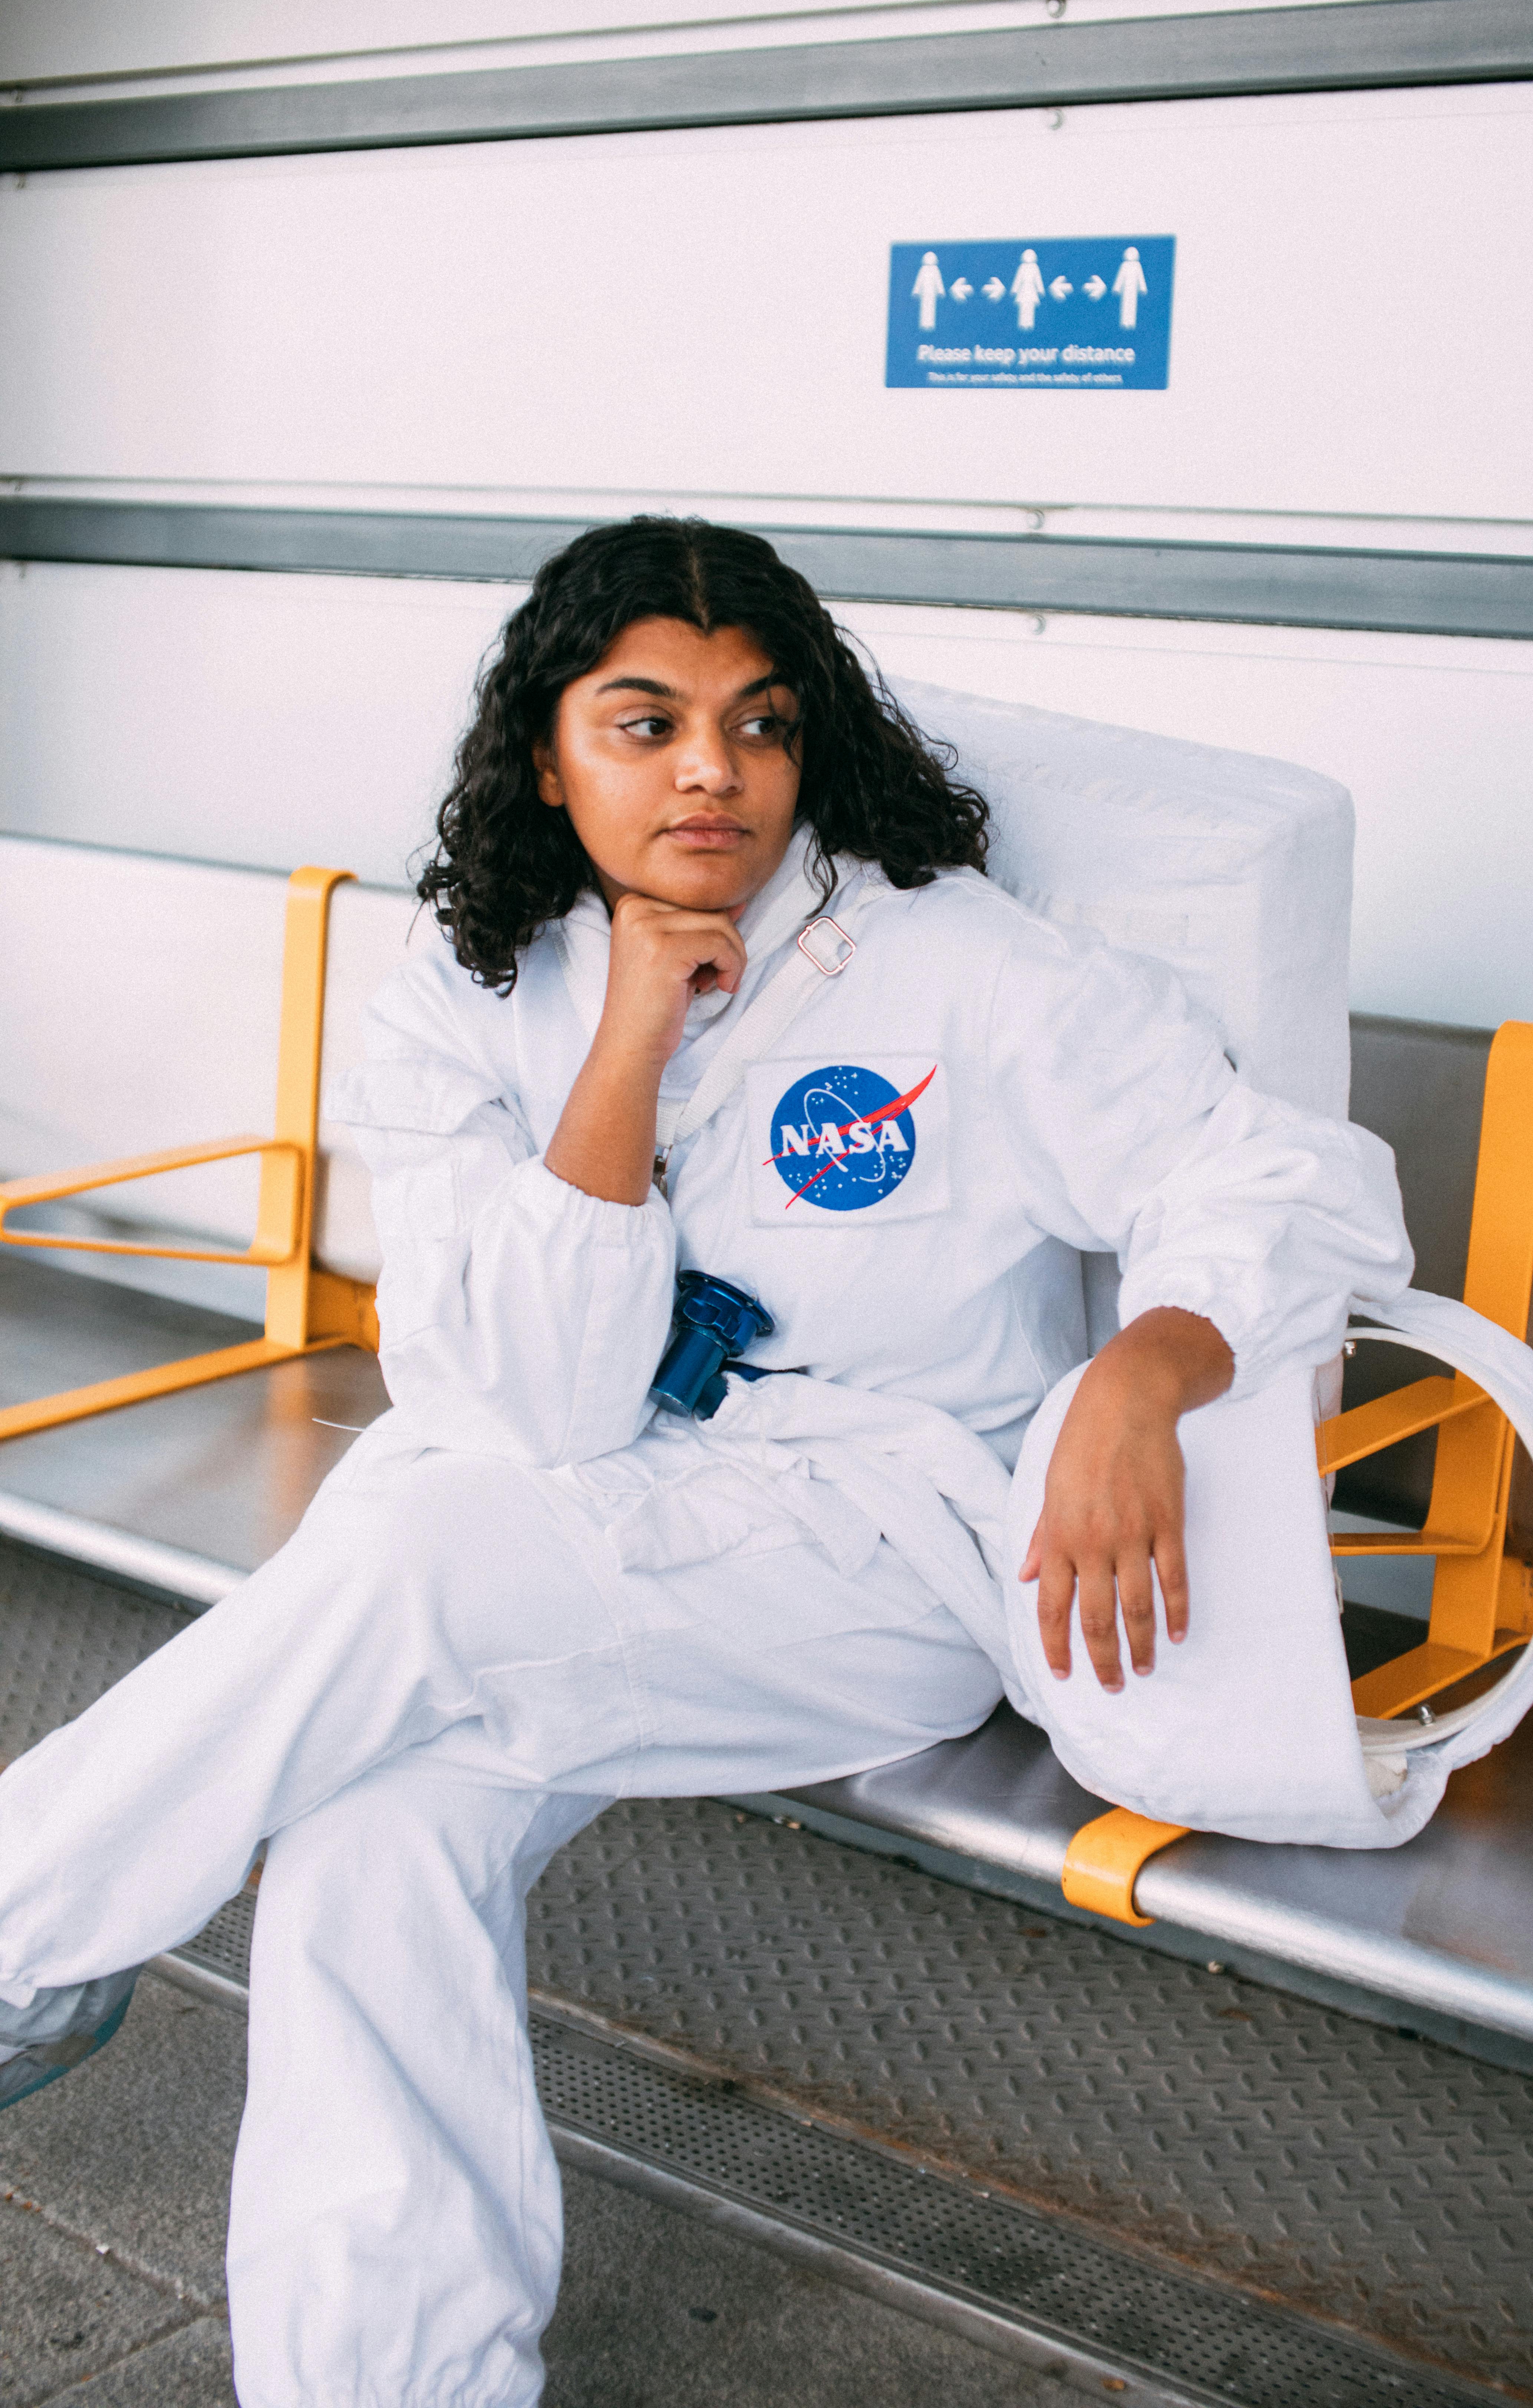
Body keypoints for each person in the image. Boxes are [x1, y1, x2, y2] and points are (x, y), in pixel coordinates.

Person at [0, 519, 1410, 2407]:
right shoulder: (468, 988)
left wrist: (1146, 1376)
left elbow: (1273, 1172)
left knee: (411, 1563)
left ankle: (29, 1931)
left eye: (757, 726)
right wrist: (628, 1051)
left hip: (872, 1548)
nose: (708, 774)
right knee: (372, 1832)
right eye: (643, 722)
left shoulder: (948, 964)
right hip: (564, 1509)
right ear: (545, 753)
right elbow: (530, 1396)